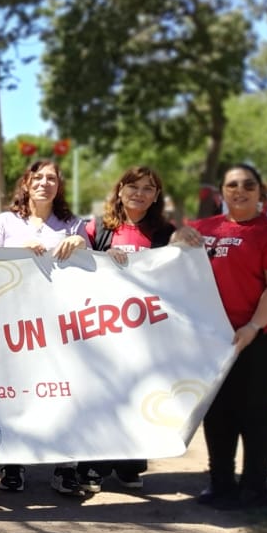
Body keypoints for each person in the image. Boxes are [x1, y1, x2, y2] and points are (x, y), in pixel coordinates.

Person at [0, 159, 88, 495]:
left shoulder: (73, 224)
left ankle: (66, 467)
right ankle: (14, 464)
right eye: (38, 177)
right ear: (26, 183)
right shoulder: (7, 221)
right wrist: (16, 249)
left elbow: (93, 261)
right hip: (15, 322)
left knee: (65, 392)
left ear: (60, 185)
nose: (44, 183)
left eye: (51, 178)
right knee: (17, 391)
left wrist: (81, 244)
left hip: (61, 324)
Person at [174, 164, 267, 510]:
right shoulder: (203, 229)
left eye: (249, 185)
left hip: (259, 337)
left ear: (260, 193)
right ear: (221, 192)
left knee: (255, 412)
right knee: (217, 412)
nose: (240, 190)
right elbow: (173, 264)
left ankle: (255, 488)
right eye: (232, 185)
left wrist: (253, 327)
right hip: (210, 340)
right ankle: (220, 483)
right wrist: (178, 240)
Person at [75, 166, 175, 493]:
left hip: (146, 331)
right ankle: (93, 465)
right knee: (99, 398)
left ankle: (130, 465)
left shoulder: (165, 233)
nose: (139, 193)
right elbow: (76, 258)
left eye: (148, 188)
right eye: (133, 186)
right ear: (119, 190)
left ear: (156, 197)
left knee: (139, 395)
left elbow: (179, 270)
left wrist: (187, 239)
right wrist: (95, 252)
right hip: (101, 329)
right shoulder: (99, 228)